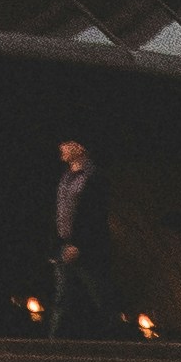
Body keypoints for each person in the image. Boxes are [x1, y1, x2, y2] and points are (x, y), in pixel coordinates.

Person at [46, 139, 121, 341]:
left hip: (88, 248)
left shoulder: (95, 178)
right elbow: (59, 213)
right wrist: (57, 246)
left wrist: (79, 245)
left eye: (67, 143)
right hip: (64, 245)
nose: (61, 147)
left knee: (100, 295)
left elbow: (95, 216)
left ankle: (113, 342)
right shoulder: (64, 178)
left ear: (79, 148)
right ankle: (54, 344)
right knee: (61, 297)